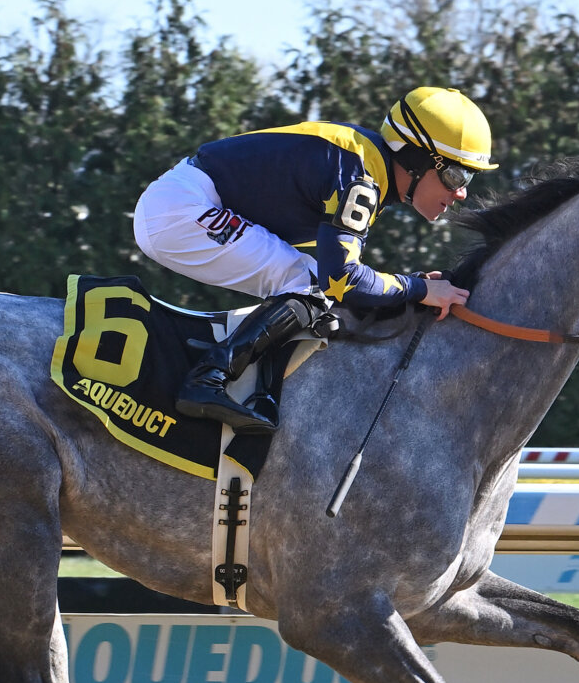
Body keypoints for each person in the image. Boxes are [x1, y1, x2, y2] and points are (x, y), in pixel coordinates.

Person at [132, 87, 498, 434]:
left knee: (307, 284)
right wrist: (418, 289)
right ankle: (209, 377)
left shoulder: (368, 168)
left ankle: (249, 382)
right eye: (455, 174)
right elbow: (341, 280)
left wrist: (413, 287)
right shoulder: (362, 177)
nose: (462, 192)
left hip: (182, 200)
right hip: (181, 208)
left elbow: (340, 279)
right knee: (306, 284)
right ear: (418, 159)